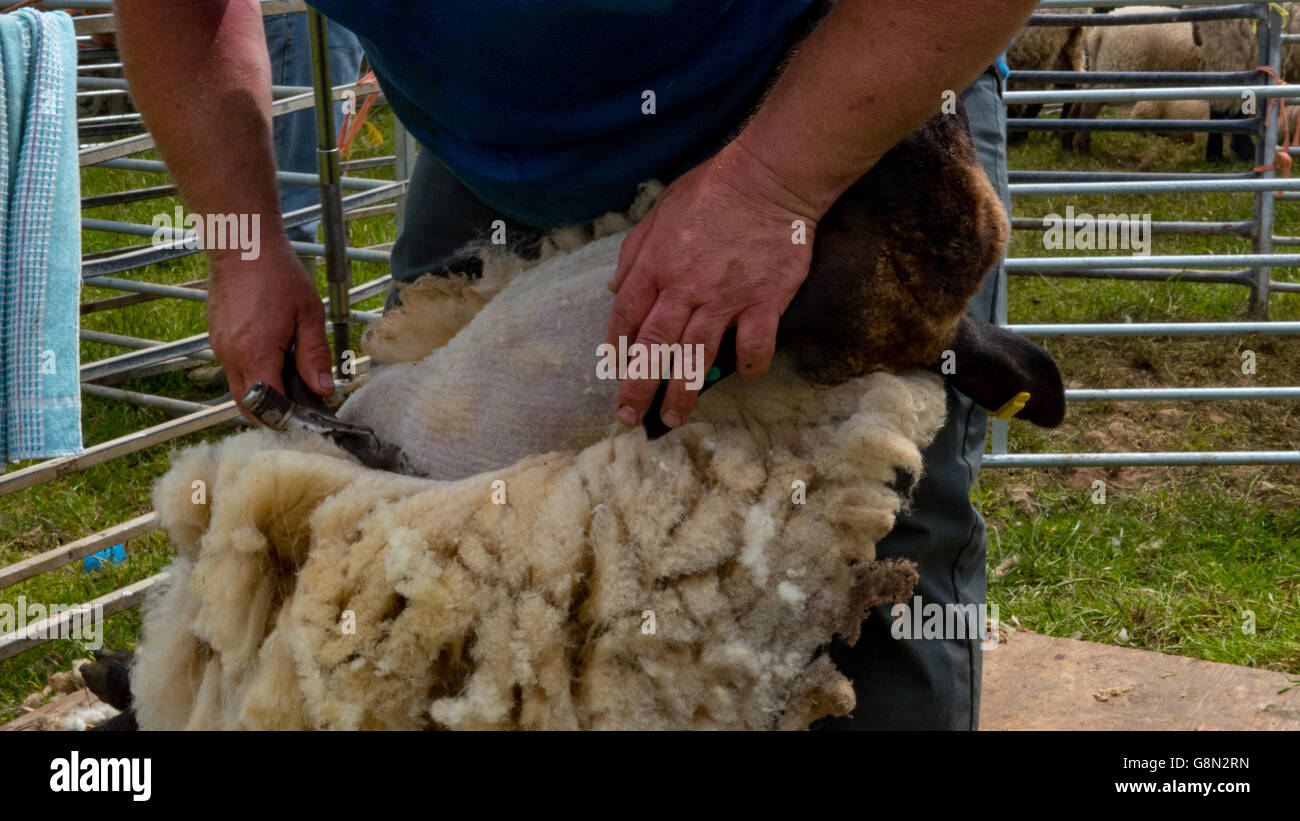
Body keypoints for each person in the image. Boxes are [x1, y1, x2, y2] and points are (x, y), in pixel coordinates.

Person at [114, 0, 1039, 730]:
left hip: (840, 88)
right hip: (493, 145)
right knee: (422, 567)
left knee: (847, 536)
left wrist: (776, 187)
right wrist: (240, 242)